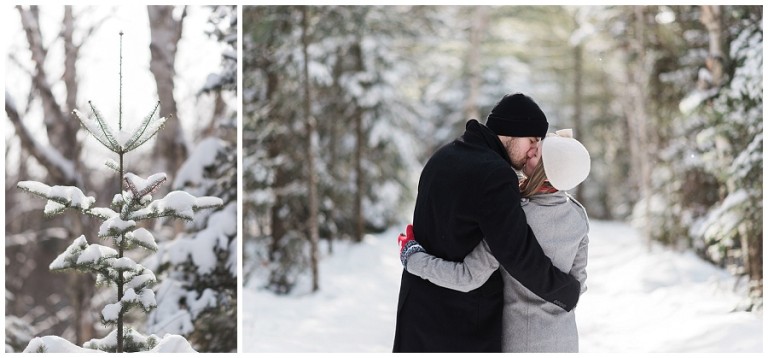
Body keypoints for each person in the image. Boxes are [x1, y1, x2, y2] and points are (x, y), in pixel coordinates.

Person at [392, 93, 581, 352]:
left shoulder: (443, 156)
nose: (532, 152)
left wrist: (414, 257)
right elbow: (518, 254)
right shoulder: (496, 174)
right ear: (513, 132)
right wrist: (567, 291)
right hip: (461, 327)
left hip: (417, 314)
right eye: (533, 140)